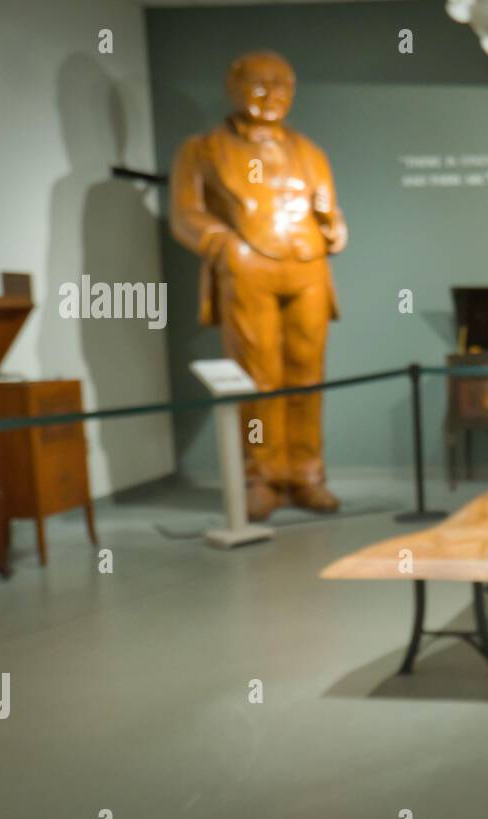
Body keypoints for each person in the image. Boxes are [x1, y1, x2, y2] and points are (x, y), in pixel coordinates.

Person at [171, 50, 347, 520]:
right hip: (249, 267)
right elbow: (185, 214)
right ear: (233, 86)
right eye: (260, 83)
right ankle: (262, 476)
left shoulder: (310, 151)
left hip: (308, 267)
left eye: (284, 85)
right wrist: (224, 246)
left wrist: (335, 227)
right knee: (257, 378)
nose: (273, 95)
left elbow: (330, 210)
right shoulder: (203, 149)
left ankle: (308, 474)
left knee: (308, 376)